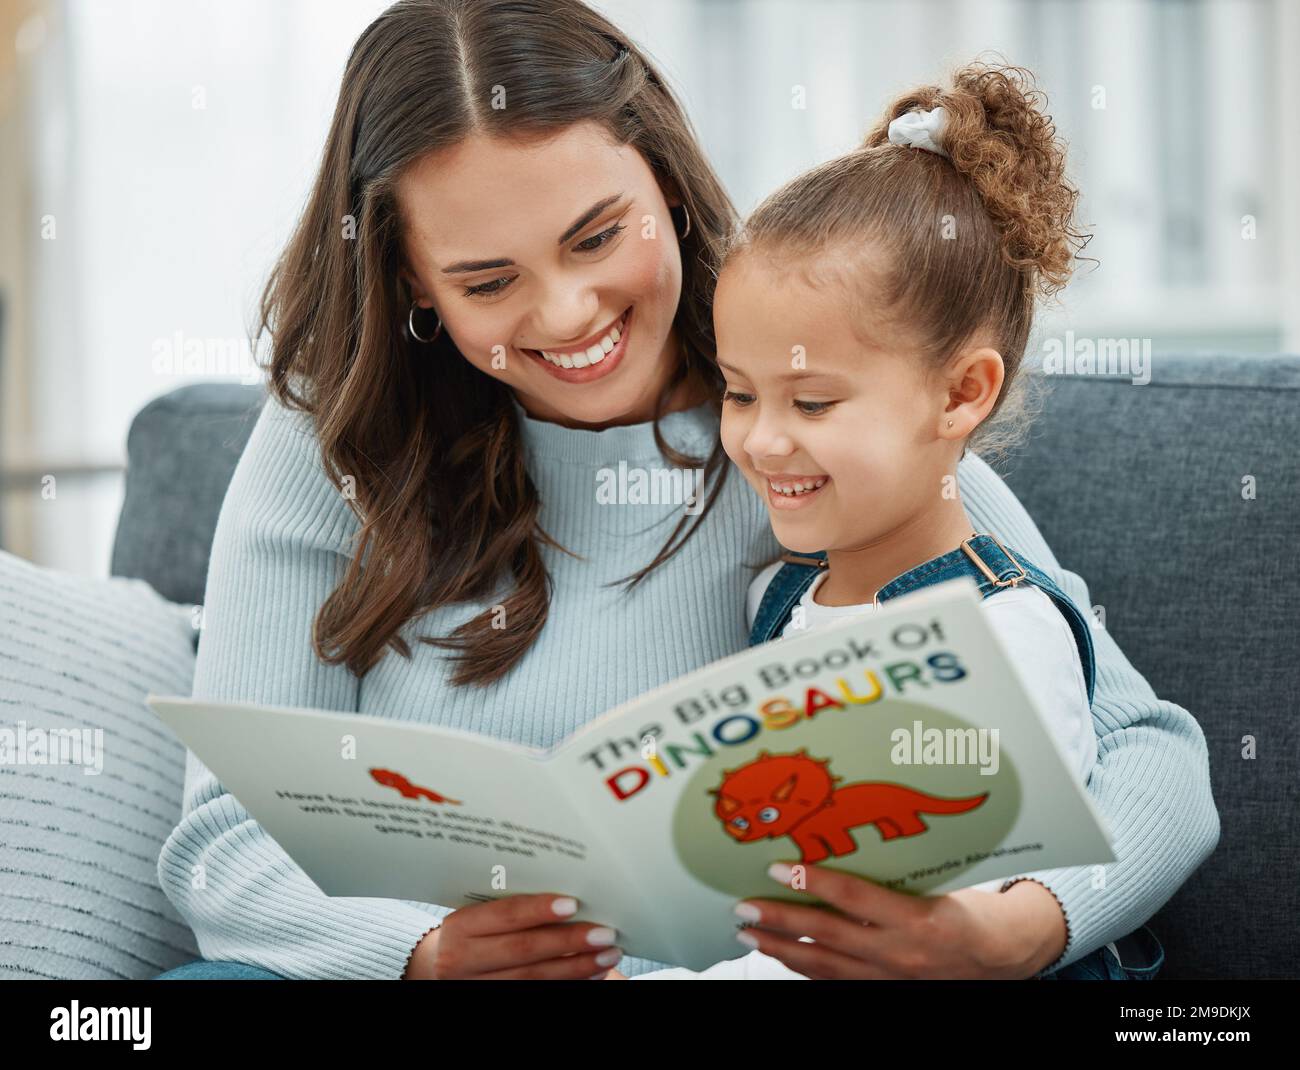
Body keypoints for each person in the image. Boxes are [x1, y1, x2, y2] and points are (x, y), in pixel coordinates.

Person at [154, 0, 1217, 981]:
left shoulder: (810, 411)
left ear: (662, 178)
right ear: (407, 280)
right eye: (487, 281)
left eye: (597, 236)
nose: (569, 313)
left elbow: (1147, 751)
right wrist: (421, 951)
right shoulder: (333, 441)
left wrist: (1016, 927)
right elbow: (224, 844)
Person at [631, 60, 1134, 982]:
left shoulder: (1008, 635)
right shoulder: (776, 599)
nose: (760, 441)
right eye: (739, 394)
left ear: (960, 394)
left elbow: (917, 936)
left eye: (813, 404)